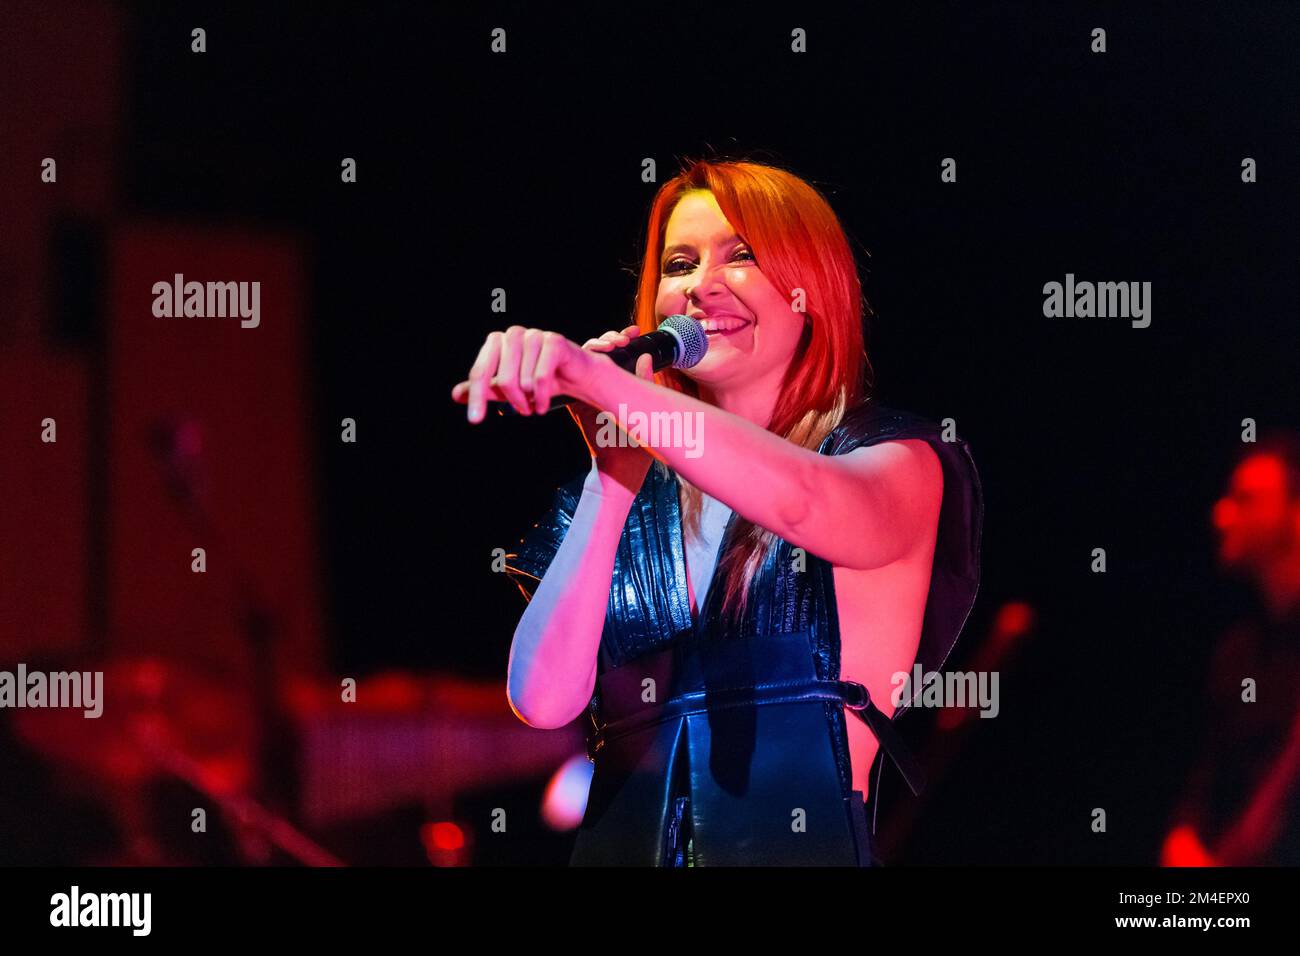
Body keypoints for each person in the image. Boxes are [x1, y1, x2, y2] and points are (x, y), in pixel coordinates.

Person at [452, 158, 983, 865]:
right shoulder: (638, 490)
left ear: (811, 288)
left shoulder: (898, 461)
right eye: (679, 263)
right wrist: (611, 477)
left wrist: (602, 385)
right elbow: (544, 700)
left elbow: (800, 501)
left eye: (742, 256)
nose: (702, 285)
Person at [1162, 431, 1300, 866]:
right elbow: (1207, 784)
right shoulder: (1237, 652)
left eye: (1246, 499)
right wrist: (1183, 840)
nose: (1221, 514)